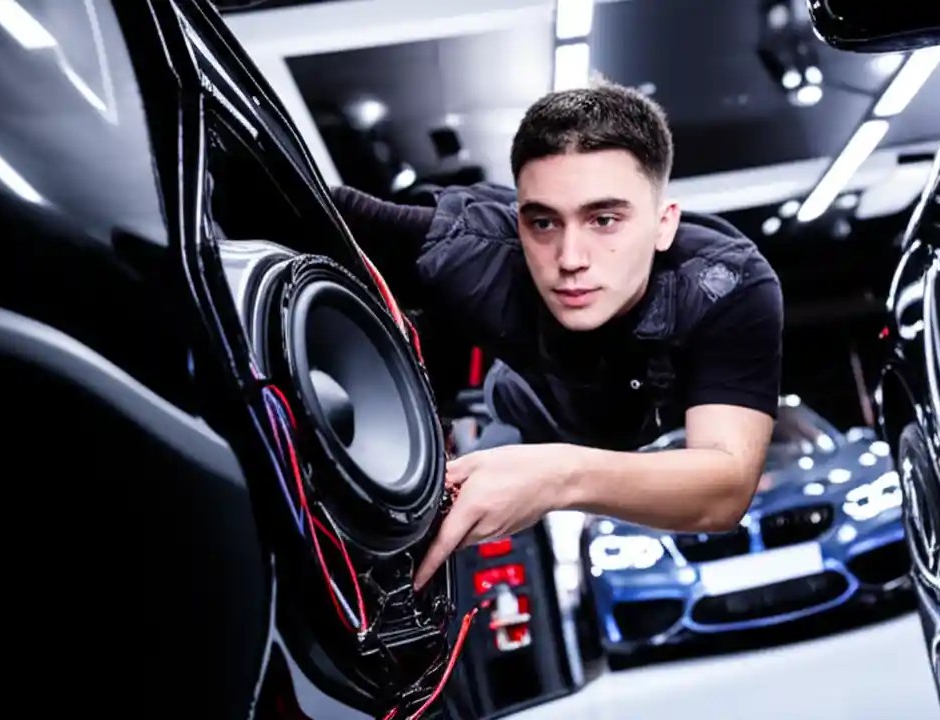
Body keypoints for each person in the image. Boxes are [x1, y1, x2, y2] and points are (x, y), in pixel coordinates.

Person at [330, 81, 784, 590]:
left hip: (605, 443)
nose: (570, 259)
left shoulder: (723, 285)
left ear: (663, 224)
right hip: (524, 417)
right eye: (543, 223)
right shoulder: (472, 251)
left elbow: (724, 491)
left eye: (605, 219)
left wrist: (556, 477)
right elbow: (302, 201)